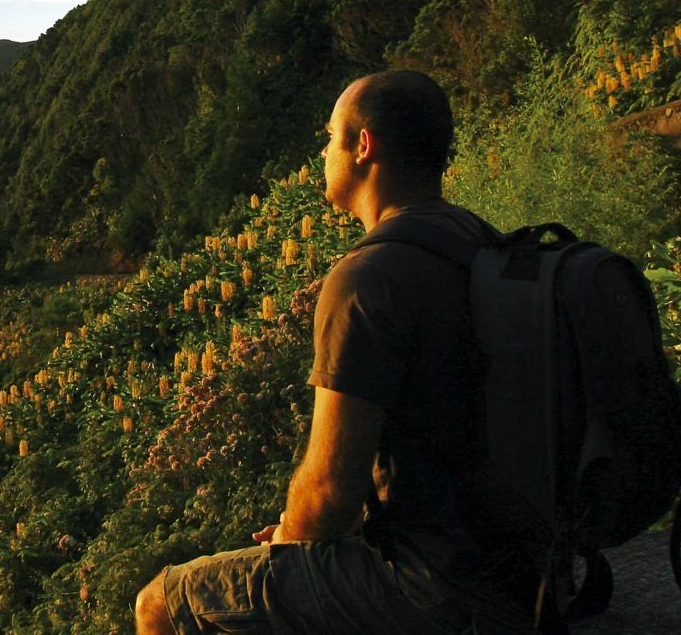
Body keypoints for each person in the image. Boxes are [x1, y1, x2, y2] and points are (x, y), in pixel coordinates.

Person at [133, 70, 531, 635]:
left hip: (433, 585)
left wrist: (291, 539)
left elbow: (328, 493)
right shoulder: (477, 239)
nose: (322, 152)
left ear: (362, 146)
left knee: (163, 602)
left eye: (328, 137)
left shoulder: (367, 278)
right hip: (518, 559)